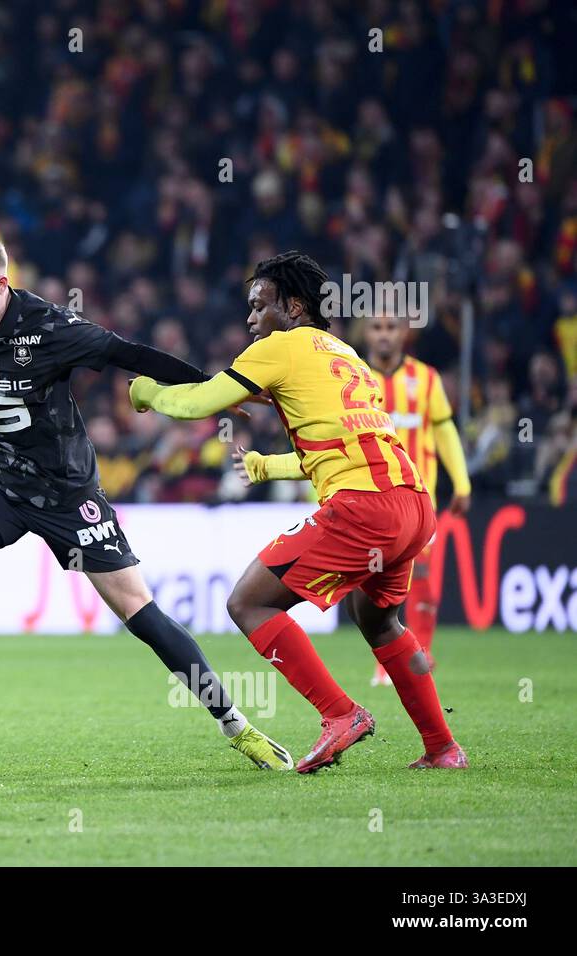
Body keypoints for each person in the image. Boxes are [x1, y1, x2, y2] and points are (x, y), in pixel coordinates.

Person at [0, 233, 292, 770]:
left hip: (68, 494)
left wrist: (220, 387)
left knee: (139, 614)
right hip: (0, 484)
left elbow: (130, 354)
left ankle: (237, 726)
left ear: (2, 284)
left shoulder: (51, 328)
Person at [129, 251, 466, 771]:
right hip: (413, 504)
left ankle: (340, 714)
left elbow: (196, 404)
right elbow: (339, 446)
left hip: (364, 509)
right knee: (378, 621)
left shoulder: (281, 347)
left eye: (258, 307)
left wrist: (147, 391)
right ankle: (443, 748)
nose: (250, 319)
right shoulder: (345, 355)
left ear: (292, 306)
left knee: (249, 603)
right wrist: (267, 468)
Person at [363, 312, 471, 685]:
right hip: (372, 501)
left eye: (391, 328)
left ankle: (421, 654)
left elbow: (444, 431)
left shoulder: (426, 379)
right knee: (376, 584)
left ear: (404, 333)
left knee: (422, 578)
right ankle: (386, 663)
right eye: (377, 328)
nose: (384, 336)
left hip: (420, 501)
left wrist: (461, 481)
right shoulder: (354, 380)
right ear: (366, 332)